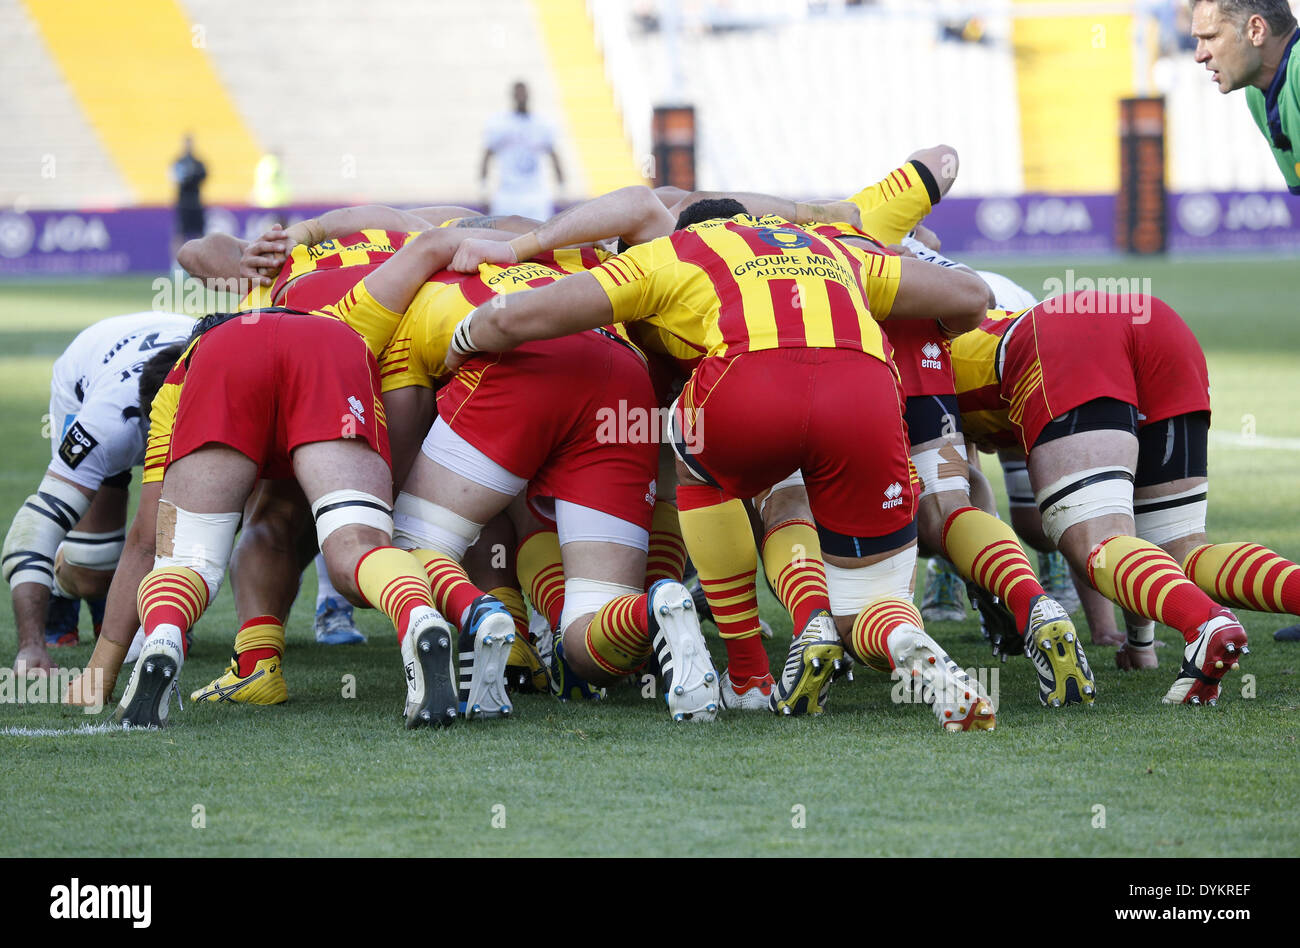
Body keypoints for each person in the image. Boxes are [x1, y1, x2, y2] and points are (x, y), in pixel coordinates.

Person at [3, 313, 192, 674]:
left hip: (170, 346)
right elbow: (31, 530)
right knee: (92, 567)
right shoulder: (104, 425)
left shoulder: (235, 392)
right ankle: (60, 588)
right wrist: (30, 647)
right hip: (90, 369)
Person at [1191, 0, 1300, 193]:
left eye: (1210, 37)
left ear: (1256, 30)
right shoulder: (1257, 92)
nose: (1199, 55)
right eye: (1197, 40)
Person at [480, 81, 565, 221]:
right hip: (507, 194)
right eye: (517, 93)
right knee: (502, 236)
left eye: (523, 93)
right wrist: (483, 187)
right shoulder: (499, 123)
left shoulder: (542, 123)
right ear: (512, 96)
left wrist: (562, 186)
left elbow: (553, 155)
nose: (521, 97)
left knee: (539, 236)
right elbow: (487, 154)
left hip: (535, 195)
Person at [171, 135, 207, 251]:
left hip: (196, 202)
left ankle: (201, 260)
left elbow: (203, 177)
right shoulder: (178, 163)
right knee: (179, 234)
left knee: (200, 234)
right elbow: (176, 179)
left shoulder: (198, 163)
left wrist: (191, 176)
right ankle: (176, 264)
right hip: (183, 203)